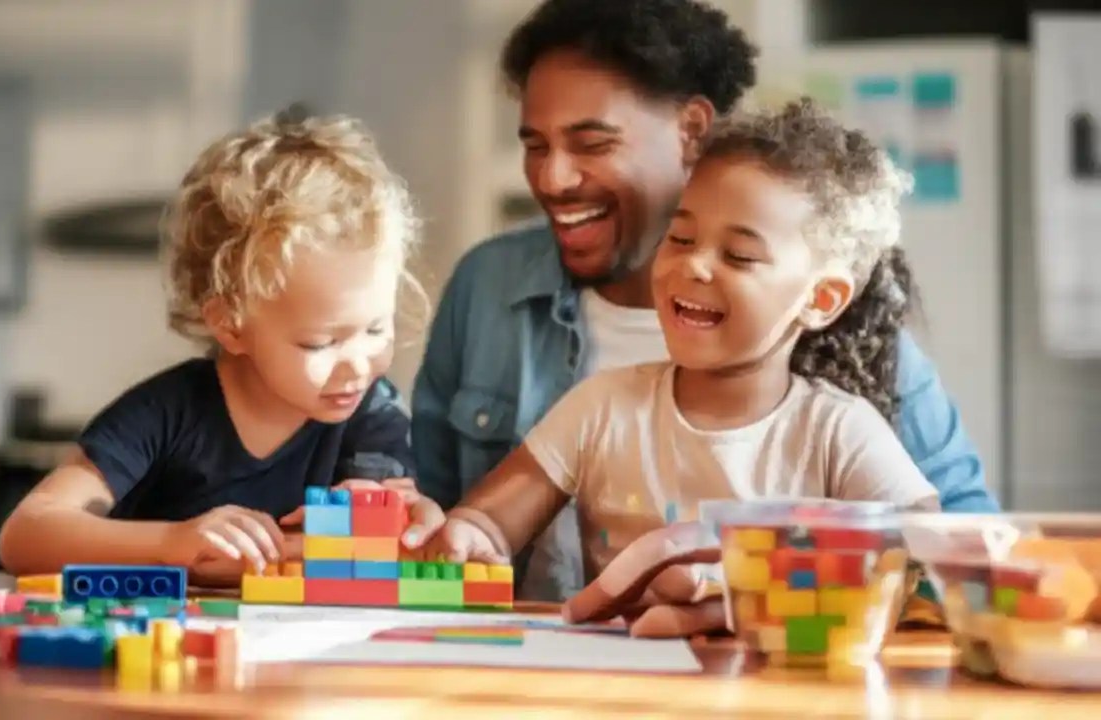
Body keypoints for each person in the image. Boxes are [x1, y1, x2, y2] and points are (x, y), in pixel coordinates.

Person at [411, 0, 996, 603]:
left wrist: (766, 591)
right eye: (535, 145)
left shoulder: (844, 404)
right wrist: (454, 534)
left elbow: (955, 562)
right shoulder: (525, 324)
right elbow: (455, 517)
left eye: (592, 142)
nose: (554, 178)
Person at [0, 115, 442, 585]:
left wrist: (418, 523)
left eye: (376, 328)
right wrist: (174, 544)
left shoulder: (374, 412)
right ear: (229, 324)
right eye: (321, 342)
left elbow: (389, 549)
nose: (358, 365)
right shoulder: (166, 413)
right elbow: (24, 535)